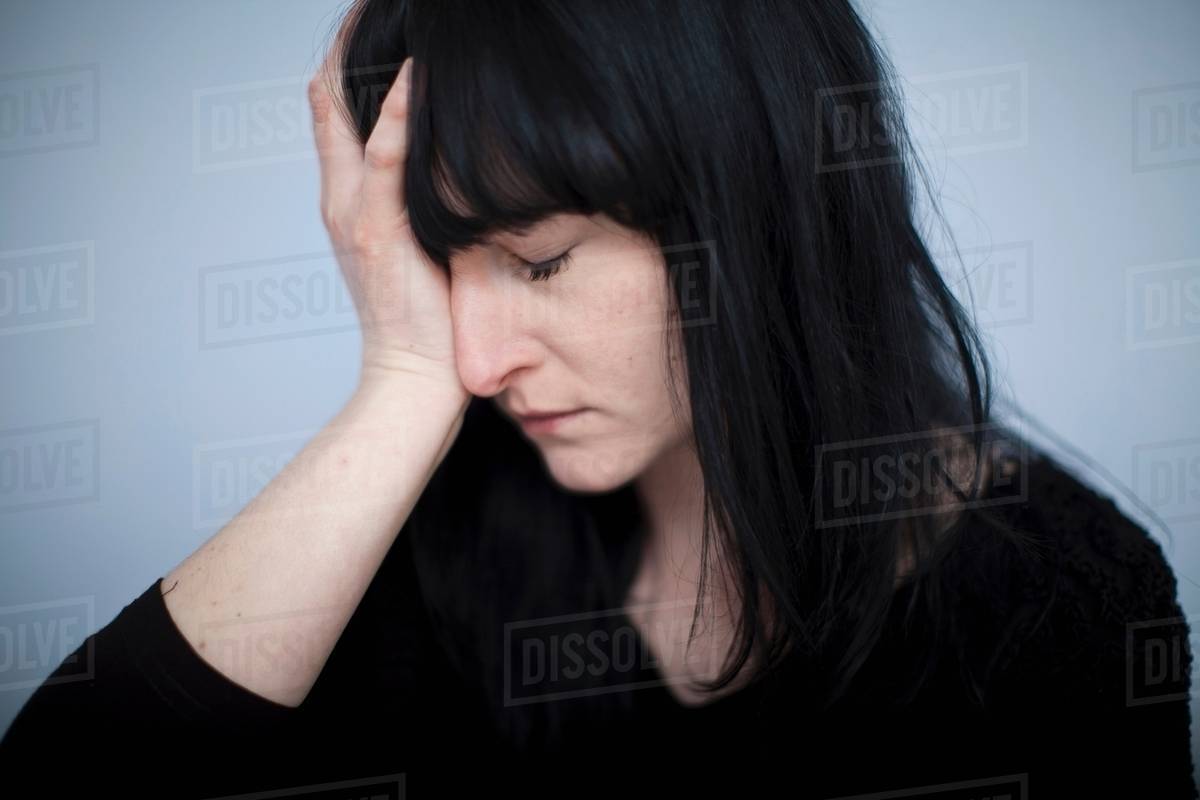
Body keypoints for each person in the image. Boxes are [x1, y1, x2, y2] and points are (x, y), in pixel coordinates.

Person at [2, 1, 1196, 797]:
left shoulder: (1056, 610)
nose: (474, 359)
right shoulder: (449, 537)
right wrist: (399, 389)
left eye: (538, 260)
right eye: (436, 267)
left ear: (751, 212)